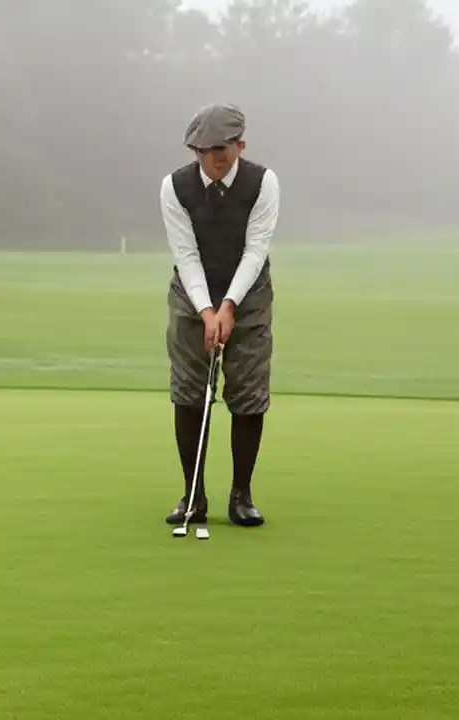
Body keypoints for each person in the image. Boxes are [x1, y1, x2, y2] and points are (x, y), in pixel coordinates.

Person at [159, 103, 280, 526]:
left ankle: (241, 496)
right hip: (192, 294)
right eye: (204, 152)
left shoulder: (263, 183)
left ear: (240, 146)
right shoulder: (175, 188)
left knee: (248, 391)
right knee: (189, 391)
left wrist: (228, 306)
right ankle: (193, 496)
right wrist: (208, 310)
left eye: (222, 151)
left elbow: (255, 249)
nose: (213, 160)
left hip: (249, 295)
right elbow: (185, 254)